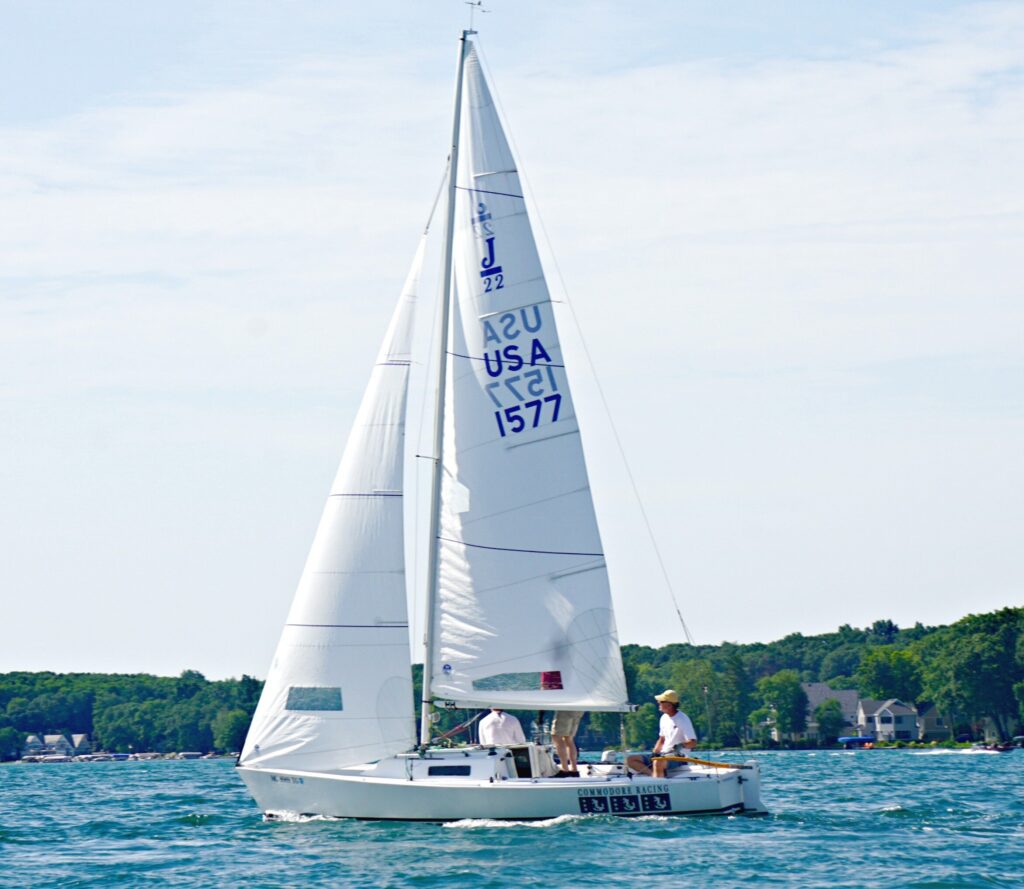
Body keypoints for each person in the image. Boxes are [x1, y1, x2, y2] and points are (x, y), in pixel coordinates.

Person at [626, 690, 696, 778]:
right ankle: (653, 776)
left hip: (679, 757)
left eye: (661, 701)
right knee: (630, 759)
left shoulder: (683, 719)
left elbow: (692, 742)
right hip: (663, 755)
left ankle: (657, 781)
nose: (658, 702)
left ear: (669, 705)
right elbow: (662, 739)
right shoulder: (663, 718)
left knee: (658, 762)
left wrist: (681, 745)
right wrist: (655, 752)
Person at [551, 710, 583, 776]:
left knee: (557, 736)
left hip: (565, 709)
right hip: (579, 709)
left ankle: (564, 769)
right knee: (569, 739)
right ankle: (574, 770)